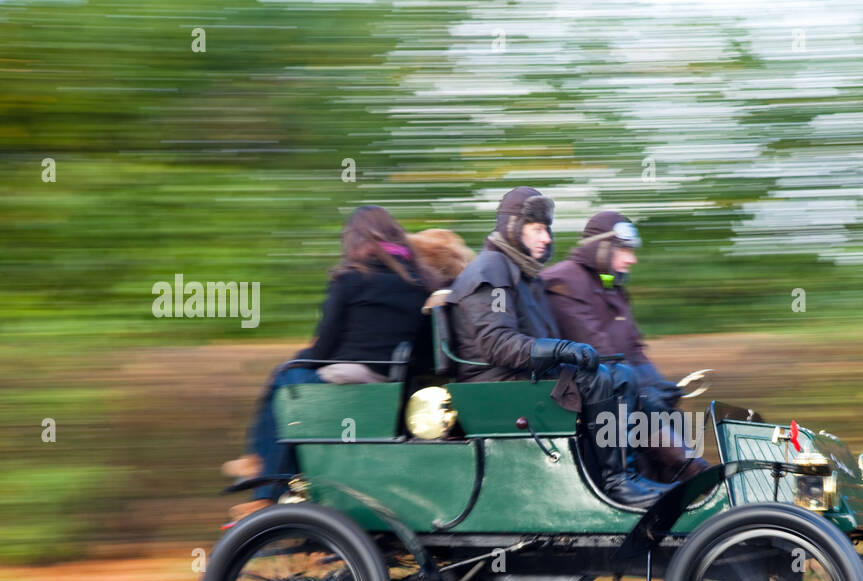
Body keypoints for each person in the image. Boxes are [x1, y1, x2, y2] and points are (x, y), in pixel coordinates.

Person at [444, 187, 673, 508]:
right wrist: (563, 349)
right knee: (600, 378)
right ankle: (615, 483)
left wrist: (568, 352)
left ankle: (626, 477)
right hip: (497, 387)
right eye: (537, 229)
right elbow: (497, 344)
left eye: (547, 229)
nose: (547, 238)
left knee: (620, 374)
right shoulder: (492, 270)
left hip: (522, 378)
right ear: (513, 226)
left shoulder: (524, 274)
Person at [221, 205, 447, 521]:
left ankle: (266, 488)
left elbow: (324, 346)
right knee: (294, 372)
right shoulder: (422, 283)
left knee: (286, 382)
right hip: (393, 386)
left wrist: (300, 360)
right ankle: (263, 464)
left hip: (350, 378)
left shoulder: (350, 279)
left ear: (355, 241)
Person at [542, 211, 708, 482]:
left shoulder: (610, 286)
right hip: (584, 397)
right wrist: (647, 395)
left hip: (621, 393)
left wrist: (660, 387)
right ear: (602, 248)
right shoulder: (564, 283)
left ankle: (684, 488)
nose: (632, 259)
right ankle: (697, 475)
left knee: (670, 416)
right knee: (658, 427)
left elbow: (634, 349)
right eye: (625, 250)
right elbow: (601, 353)